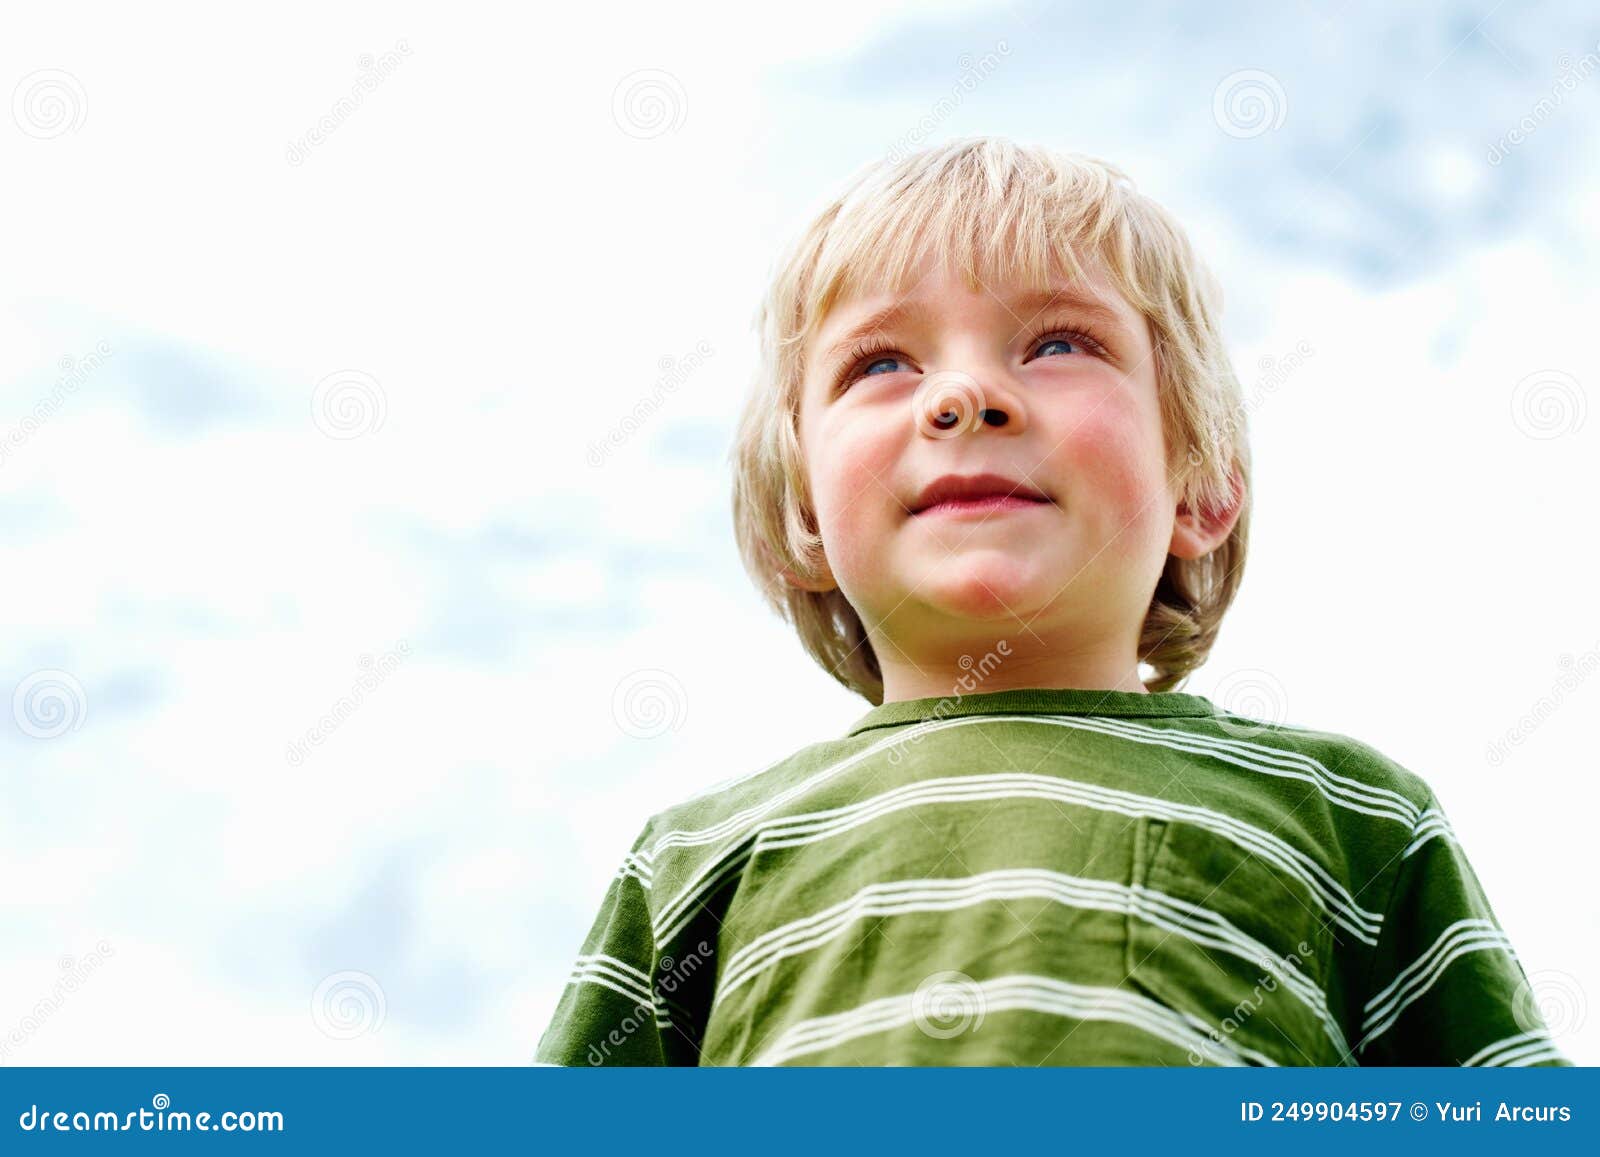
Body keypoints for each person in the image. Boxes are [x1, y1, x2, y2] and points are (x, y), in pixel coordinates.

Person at [534, 136, 1572, 1067]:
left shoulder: (1352, 814)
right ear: (799, 516)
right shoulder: (691, 854)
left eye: (1059, 344)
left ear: (1200, 486)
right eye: (881, 362)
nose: (966, 396)